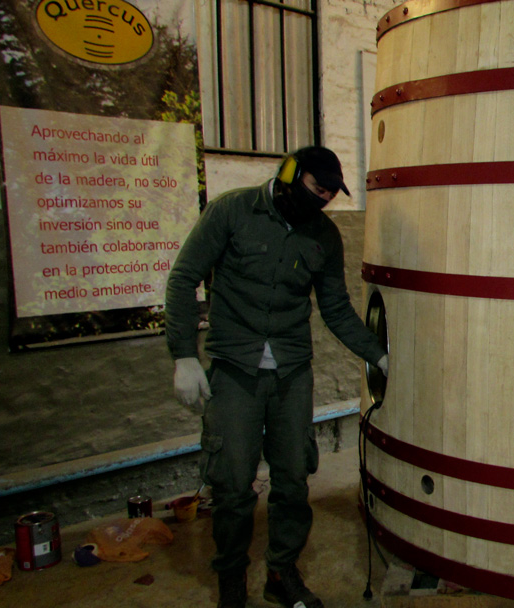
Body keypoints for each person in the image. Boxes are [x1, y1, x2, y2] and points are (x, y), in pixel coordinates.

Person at [166, 146, 388, 608]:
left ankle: (281, 572)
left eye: (329, 195)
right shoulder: (231, 210)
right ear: (289, 173)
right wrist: (183, 355)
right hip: (235, 370)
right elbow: (184, 276)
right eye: (315, 189)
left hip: (291, 371)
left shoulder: (324, 237)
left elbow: (336, 309)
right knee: (232, 482)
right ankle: (231, 577)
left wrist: (378, 355)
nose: (321, 200)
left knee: (292, 481)